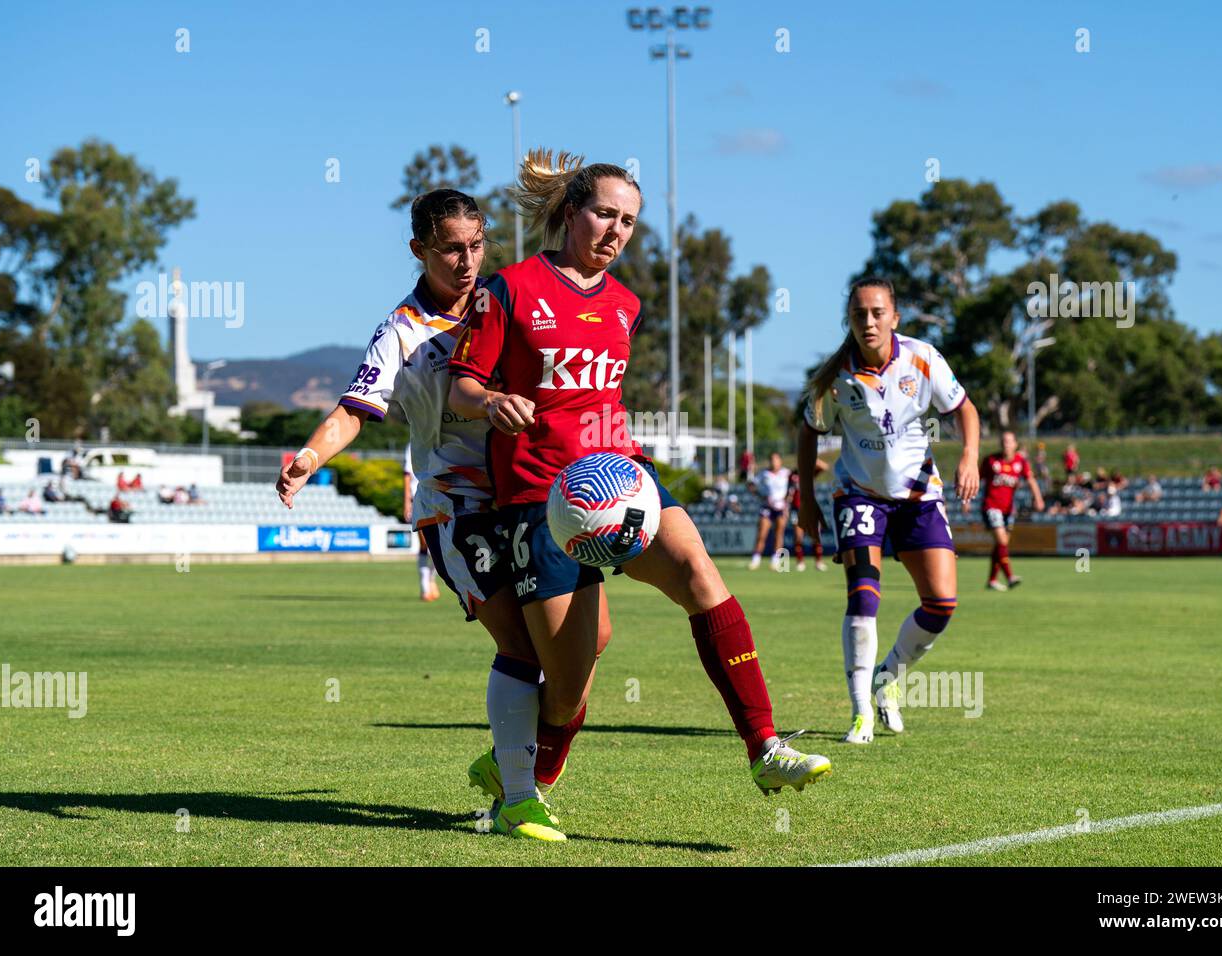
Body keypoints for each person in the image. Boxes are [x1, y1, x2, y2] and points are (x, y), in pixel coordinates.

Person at [448, 149, 830, 832]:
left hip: (623, 477)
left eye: (629, 221)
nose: (617, 230)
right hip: (545, 501)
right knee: (565, 689)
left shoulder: (627, 304)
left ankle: (764, 746)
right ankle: (526, 775)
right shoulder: (508, 289)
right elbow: (463, 384)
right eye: (605, 214)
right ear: (571, 214)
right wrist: (492, 402)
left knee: (700, 575)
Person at [276, 188, 610, 843]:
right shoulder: (401, 330)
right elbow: (353, 409)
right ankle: (519, 797)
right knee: (520, 647)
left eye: (477, 245)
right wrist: (310, 456)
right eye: (451, 249)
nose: (467, 261)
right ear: (419, 251)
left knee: (587, 645)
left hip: (536, 498)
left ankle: (509, 763)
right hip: (458, 513)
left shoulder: (507, 298)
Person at [797, 276, 981, 745]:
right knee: (863, 596)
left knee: (941, 603)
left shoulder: (923, 358)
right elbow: (808, 432)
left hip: (918, 496)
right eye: (860, 314)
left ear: (894, 318)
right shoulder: (834, 376)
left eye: (878, 313)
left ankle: (888, 676)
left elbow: (965, 410)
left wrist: (968, 456)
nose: (869, 322)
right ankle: (859, 711)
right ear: (850, 321)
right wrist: (807, 501)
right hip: (857, 496)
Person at [964, 430, 1045, 591]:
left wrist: (1038, 498)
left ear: (1015, 444)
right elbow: (975, 479)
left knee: (1001, 544)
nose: (1005, 444)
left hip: (1008, 509)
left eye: (1008, 441)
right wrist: (967, 500)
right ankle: (1010, 577)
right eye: (1003, 441)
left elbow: (1031, 480)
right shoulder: (991, 461)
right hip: (991, 506)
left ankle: (992, 580)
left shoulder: (1020, 462)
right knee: (1002, 541)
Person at [402, 441, 439, 602]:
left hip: (439, 497)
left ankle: (431, 579)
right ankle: (425, 586)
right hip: (418, 498)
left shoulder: (440, 438)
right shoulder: (412, 444)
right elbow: (406, 474)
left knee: (438, 547)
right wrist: (406, 502)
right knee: (425, 544)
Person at [749, 452, 791, 570]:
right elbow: (751, 485)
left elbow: (794, 486)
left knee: (779, 534)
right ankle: (756, 558)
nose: (774, 462)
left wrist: (788, 499)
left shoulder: (786, 473)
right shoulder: (764, 474)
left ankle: (775, 559)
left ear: (780, 461)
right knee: (762, 533)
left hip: (781, 507)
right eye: (772, 460)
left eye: (776, 460)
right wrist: (760, 495)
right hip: (767, 507)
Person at [788, 460, 829, 571]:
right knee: (798, 537)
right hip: (796, 510)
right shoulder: (791, 475)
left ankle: (818, 562)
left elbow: (825, 466)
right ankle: (800, 562)